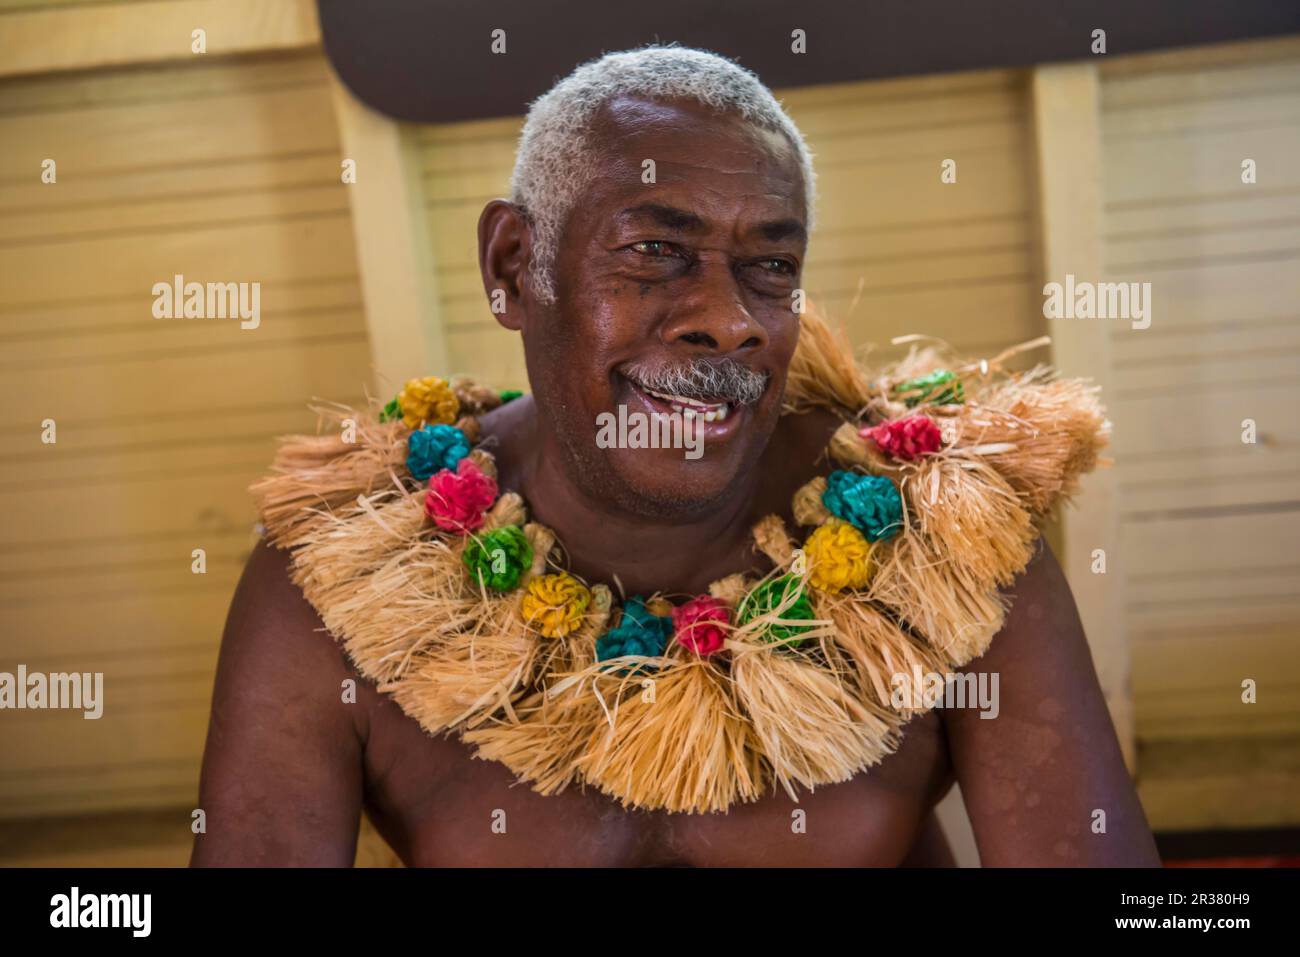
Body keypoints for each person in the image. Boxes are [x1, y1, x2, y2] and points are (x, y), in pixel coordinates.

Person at [191, 45, 1159, 867]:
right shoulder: (341, 572)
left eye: (769, 267)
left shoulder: (938, 534)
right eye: (655, 250)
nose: (730, 323)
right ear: (512, 267)